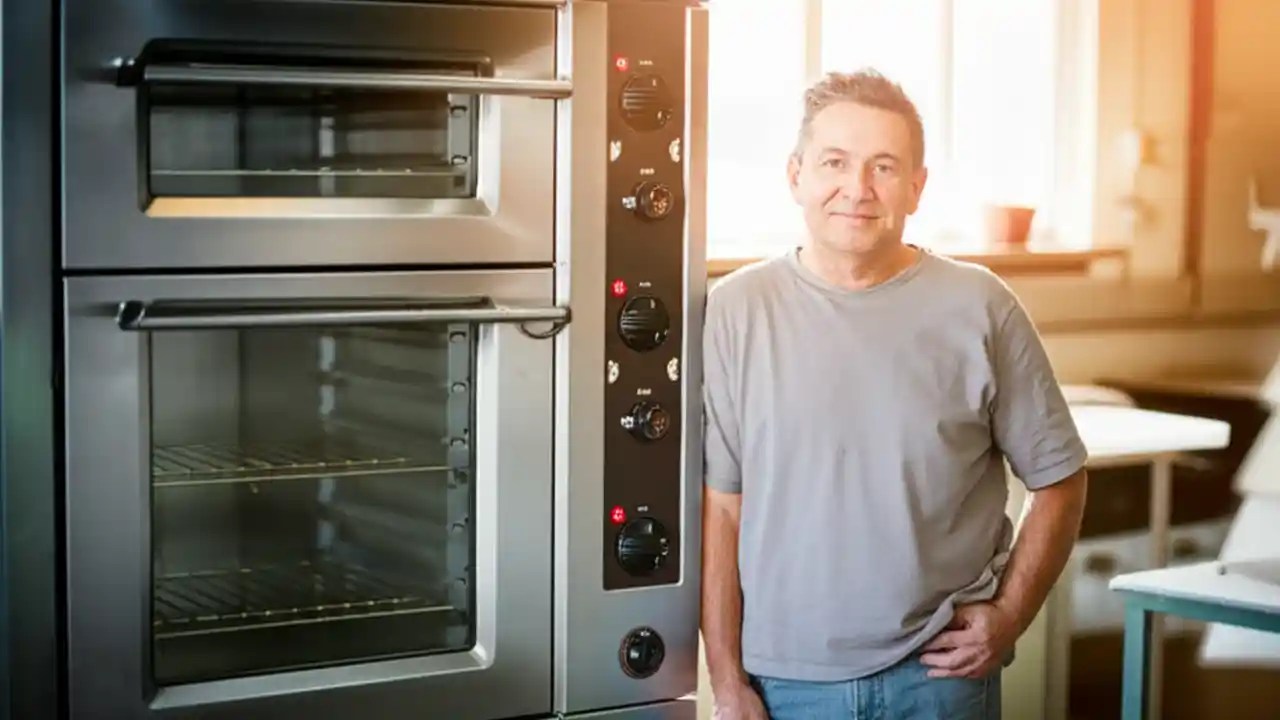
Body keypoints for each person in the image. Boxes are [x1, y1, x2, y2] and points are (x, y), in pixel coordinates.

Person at [700, 68, 1090, 719]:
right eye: (835, 162)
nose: (858, 188)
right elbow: (721, 511)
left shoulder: (980, 306)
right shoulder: (735, 310)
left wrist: (1010, 614)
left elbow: (1061, 480)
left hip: (939, 680)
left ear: (916, 186)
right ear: (795, 175)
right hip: (785, 687)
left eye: (883, 167)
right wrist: (727, 682)